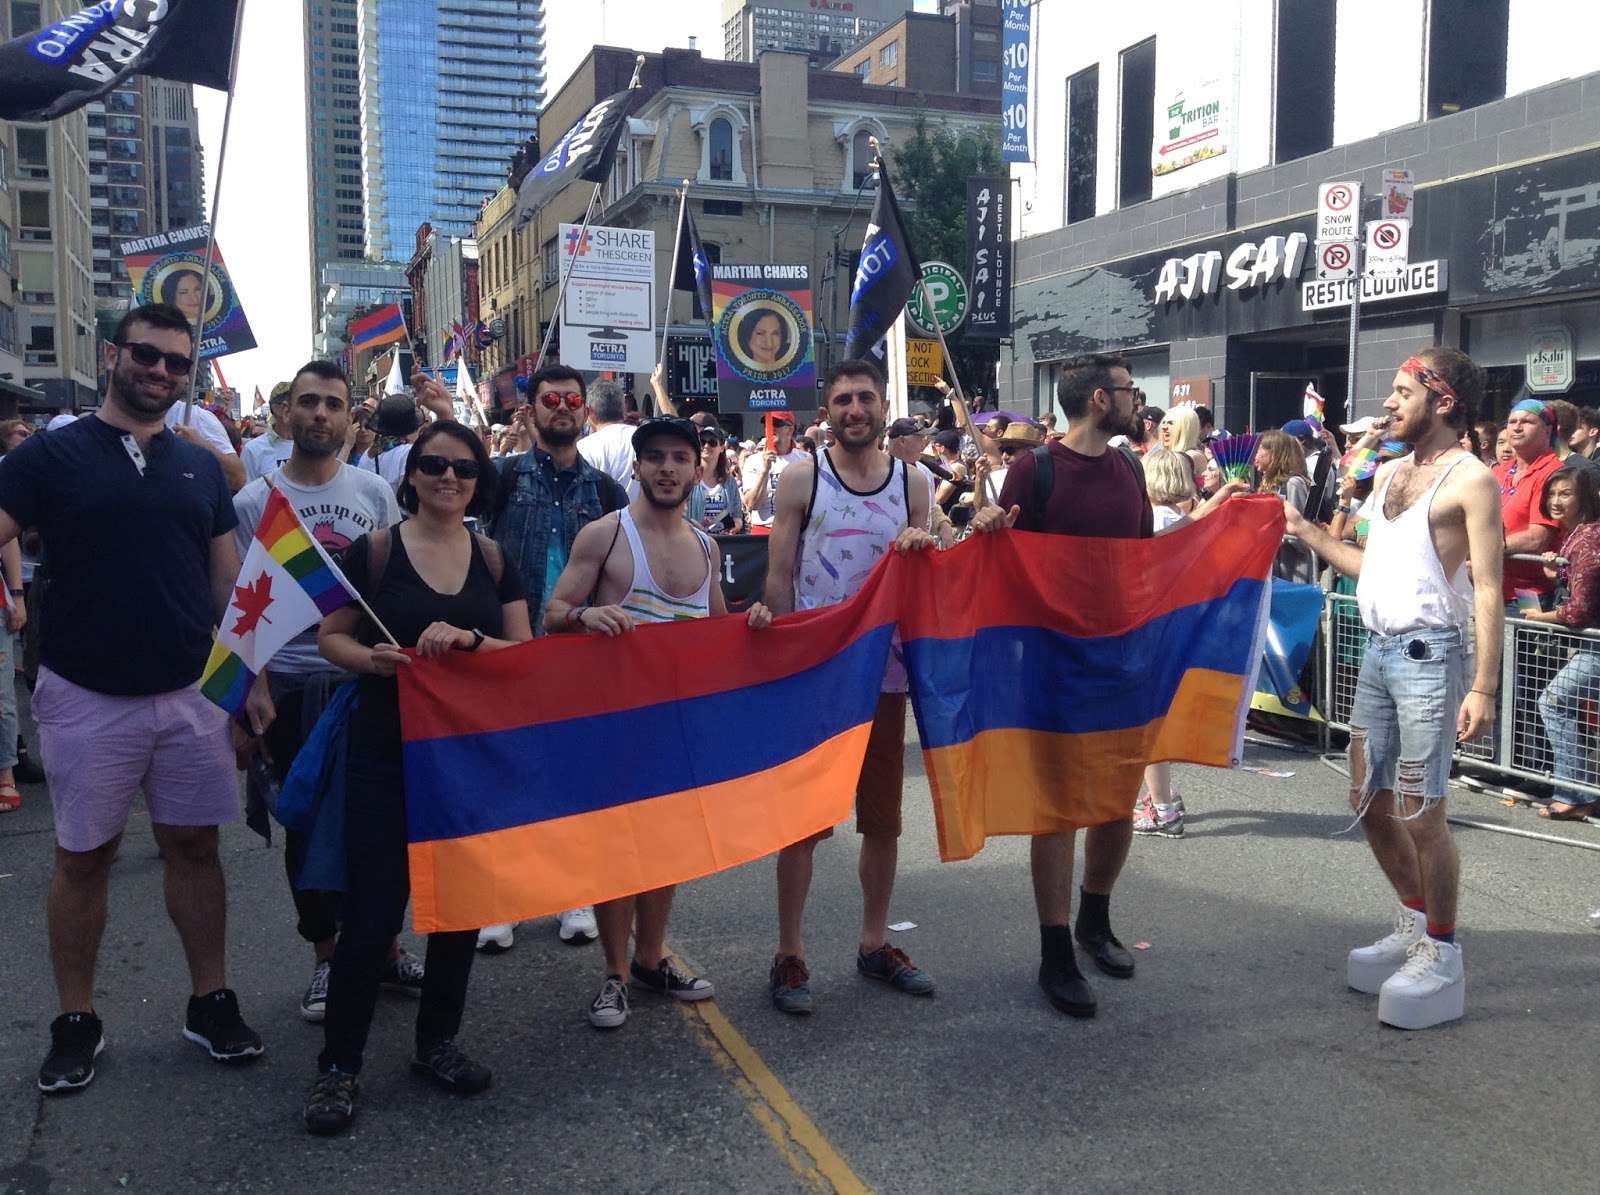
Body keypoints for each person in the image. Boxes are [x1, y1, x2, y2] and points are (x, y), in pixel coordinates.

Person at [0, 303, 262, 1091]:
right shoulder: (52, 454)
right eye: (146, 355)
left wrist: (249, 680)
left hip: (190, 693)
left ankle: (210, 999)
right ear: (114, 354)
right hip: (86, 692)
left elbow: (228, 588)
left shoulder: (198, 466)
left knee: (195, 848)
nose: (160, 371)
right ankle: (75, 1018)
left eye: (176, 363)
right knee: (83, 858)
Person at [306, 421, 532, 1135]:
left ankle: (436, 1042)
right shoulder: (372, 552)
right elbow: (329, 635)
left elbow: (523, 658)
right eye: (434, 464)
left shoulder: (496, 560)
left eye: (463, 468)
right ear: (411, 474)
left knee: (460, 910)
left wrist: (468, 639)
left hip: (467, 760)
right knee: (372, 918)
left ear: (478, 480)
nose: (448, 477)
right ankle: (338, 1067)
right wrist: (370, 658)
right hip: (383, 752)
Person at [1282, 347, 1503, 1031]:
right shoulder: (1393, 472)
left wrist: (1485, 685)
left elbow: (1490, 585)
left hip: (1430, 655)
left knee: (1421, 810)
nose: (1391, 403)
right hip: (1380, 654)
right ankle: (1414, 923)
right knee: (1367, 801)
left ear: (1443, 400)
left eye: (1405, 391)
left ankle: (1441, 948)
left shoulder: (1473, 479)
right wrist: (1309, 532)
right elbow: (1368, 564)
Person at [544, 417, 772, 1029]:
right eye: (655, 459)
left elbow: (717, 628)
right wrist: (582, 617)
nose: (668, 468)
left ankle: (650, 960)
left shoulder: (706, 545)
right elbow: (552, 613)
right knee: (619, 848)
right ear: (638, 469)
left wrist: (752, 622)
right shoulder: (605, 536)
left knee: (669, 846)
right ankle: (615, 974)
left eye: (679, 458)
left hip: (680, 723)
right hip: (616, 721)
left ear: (698, 470)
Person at [970, 353, 1154, 1019]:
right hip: (1052, 662)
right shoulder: (1034, 468)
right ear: (1101, 400)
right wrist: (984, 526)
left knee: (1116, 799)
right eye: (1131, 391)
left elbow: (1143, 561)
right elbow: (1002, 564)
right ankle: (1055, 949)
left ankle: (1094, 918)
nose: (1140, 401)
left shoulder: (1131, 465)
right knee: (1058, 806)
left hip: (1121, 661)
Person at [228, 360, 411, 1023]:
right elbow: (242, 604)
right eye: (307, 402)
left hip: (364, 674)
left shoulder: (373, 492)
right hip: (292, 688)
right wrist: (255, 689)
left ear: (348, 417)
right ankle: (328, 960)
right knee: (306, 827)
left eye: (333, 404)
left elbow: (392, 584)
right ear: (285, 415)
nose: (319, 415)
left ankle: (385, 948)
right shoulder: (255, 503)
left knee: (381, 823)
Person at [764, 359, 938, 1015]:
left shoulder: (913, 480)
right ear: (828, 408)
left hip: (886, 676)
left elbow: (927, 571)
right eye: (843, 399)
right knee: (803, 821)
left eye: (866, 397)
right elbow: (780, 577)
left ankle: (873, 942)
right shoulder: (803, 476)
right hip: (819, 673)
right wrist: (784, 661)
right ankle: (789, 950)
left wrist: (934, 542)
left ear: (883, 402)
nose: (856, 408)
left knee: (884, 821)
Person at [480, 363, 629, 952]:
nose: (563, 408)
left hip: (581, 651)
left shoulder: (608, 492)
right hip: (512, 647)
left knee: (576, 776)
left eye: (572, 399)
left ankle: (574, 894)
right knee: (510, 773)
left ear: (584, 411)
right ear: (532, 410)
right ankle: (505, 900)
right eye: (551, 400)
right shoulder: (498, 478)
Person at [1525, 466, 1600, 819]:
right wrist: (1559, 571)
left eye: (1565, 494)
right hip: (1590, 645)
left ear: (1584, 497)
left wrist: (1543, 618)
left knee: (1554, 701)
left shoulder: (1587, 538)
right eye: (1552, 493)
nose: (1555, 501)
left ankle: (1574, 793)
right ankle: (1576, 791)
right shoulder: (1579, 535)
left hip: (1596, 644)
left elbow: (1580, 611)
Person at [1496, 398, 1562, 609]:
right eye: (1511, 421)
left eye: (1527, 421)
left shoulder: (1553, 473)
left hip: (1529, 593)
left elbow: (1537, 539)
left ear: (1547, 430)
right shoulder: (1499, 471)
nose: (1516, 427)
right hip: (1492, 588)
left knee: (1523, 642)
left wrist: (1483, 547)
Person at [1256, 429, 1317, 584]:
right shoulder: (1268, 483)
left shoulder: (1293, 483)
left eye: (1258, 451)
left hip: (1292, 570)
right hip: (1273, 568)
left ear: (1274, 454)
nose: (1254, 457)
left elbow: (1300, 532)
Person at [739, 410, 807, 530]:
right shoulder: (753, 460)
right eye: (767, 424)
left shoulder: (806, 460)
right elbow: (752, 504)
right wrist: (765, 471)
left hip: (797, 529)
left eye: (777, 424)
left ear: (790, 429)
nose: (771, 428)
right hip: (764, 528)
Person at [576, 378, 639, 500]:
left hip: (600, 517)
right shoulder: (644, 440)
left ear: (589, 412)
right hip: (644, 518)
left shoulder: (584, 448)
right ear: (623, 409)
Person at [687, 421, 747, 534]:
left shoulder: (730, 482)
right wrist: (695, 526)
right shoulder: (690, 478)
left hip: (723, 542)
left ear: (722, 448)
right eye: (702, 442)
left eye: (712, 443)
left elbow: (737, 515)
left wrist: (734, 527)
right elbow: (680, 513)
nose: (706, 446)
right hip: (695, 539)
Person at [241, 382, 296, 481]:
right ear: (278, 409)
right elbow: (247, 492)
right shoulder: (253, 450)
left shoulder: (312, 445)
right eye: (299, 403)